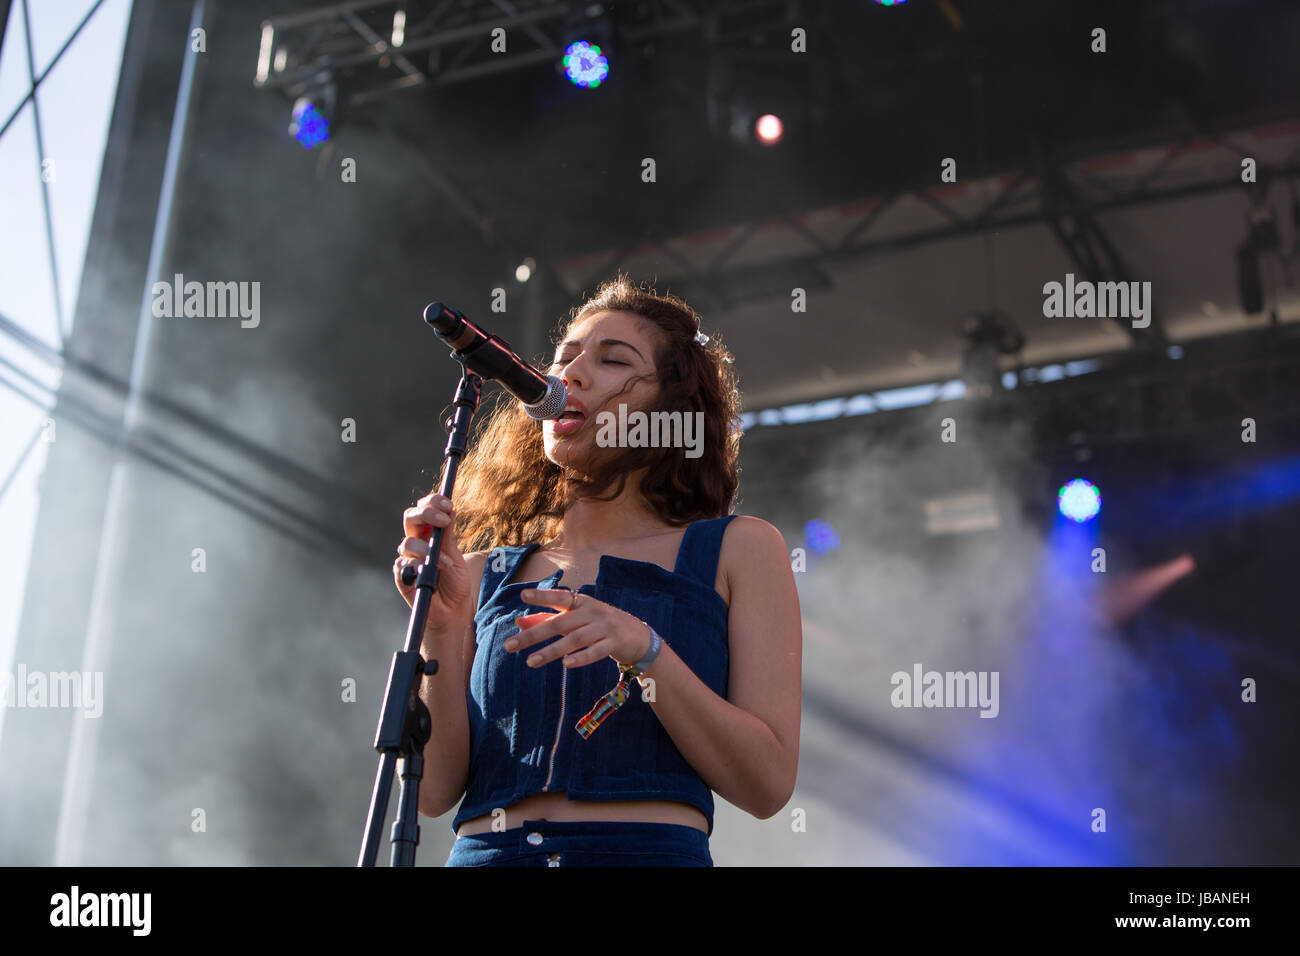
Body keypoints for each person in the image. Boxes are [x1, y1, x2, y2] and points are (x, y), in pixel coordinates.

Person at [394, 274, 802, 866]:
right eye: (564, 358)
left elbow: (766, 783)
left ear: (671, 407)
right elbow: (432, 794)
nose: (571, 374)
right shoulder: (481, 573)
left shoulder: (738, 549)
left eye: (613, 360)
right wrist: (442, 625)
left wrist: (646, 651)